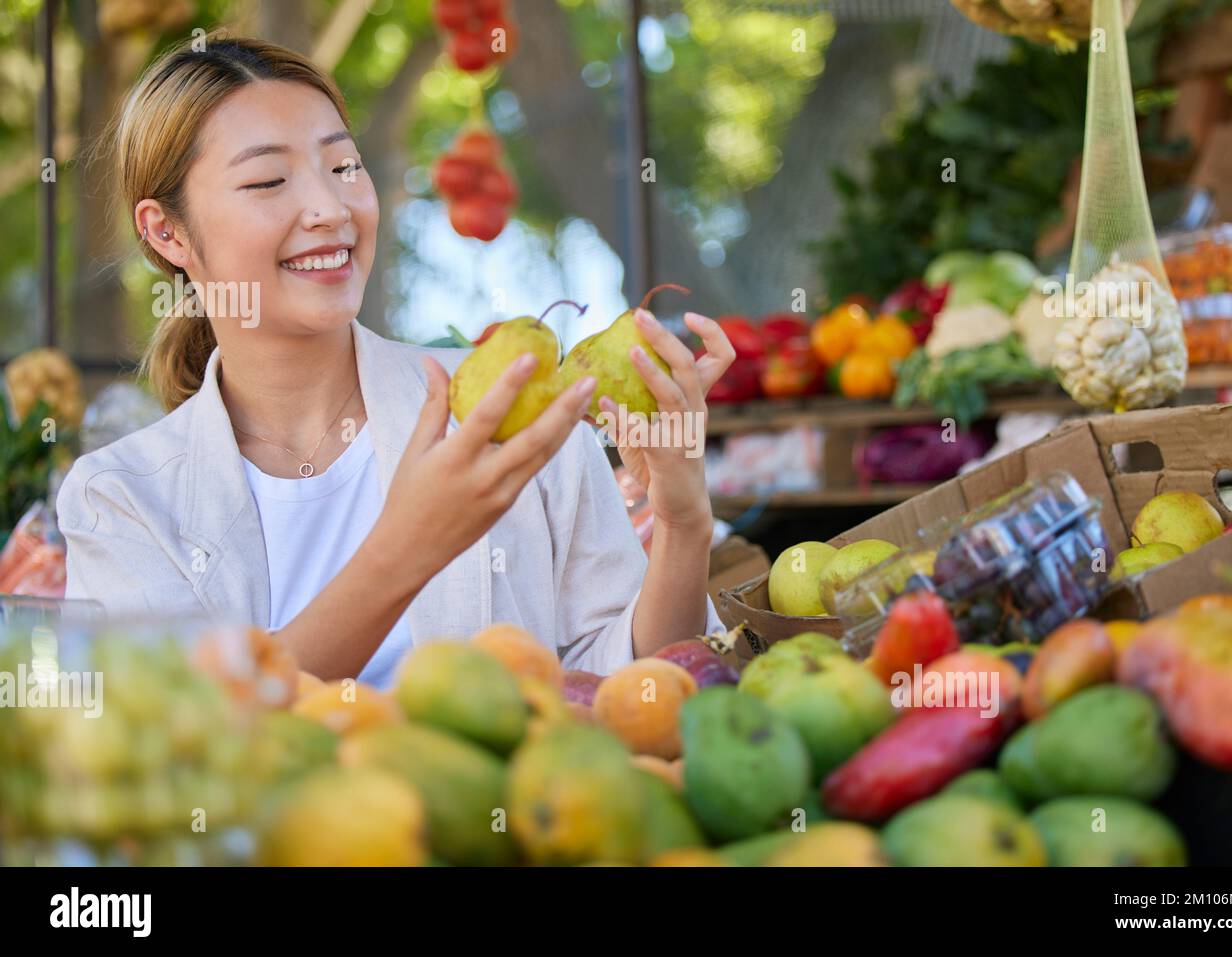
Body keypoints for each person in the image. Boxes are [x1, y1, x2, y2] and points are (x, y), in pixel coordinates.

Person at [57, 36, 734, 688]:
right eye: (268, 179)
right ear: (166, 231)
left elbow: (633, 689)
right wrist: (408, 548)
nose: (329, 208)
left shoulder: (509, 403)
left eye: (344, 167)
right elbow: (186, 736)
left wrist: (682, 525)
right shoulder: (119, 497)